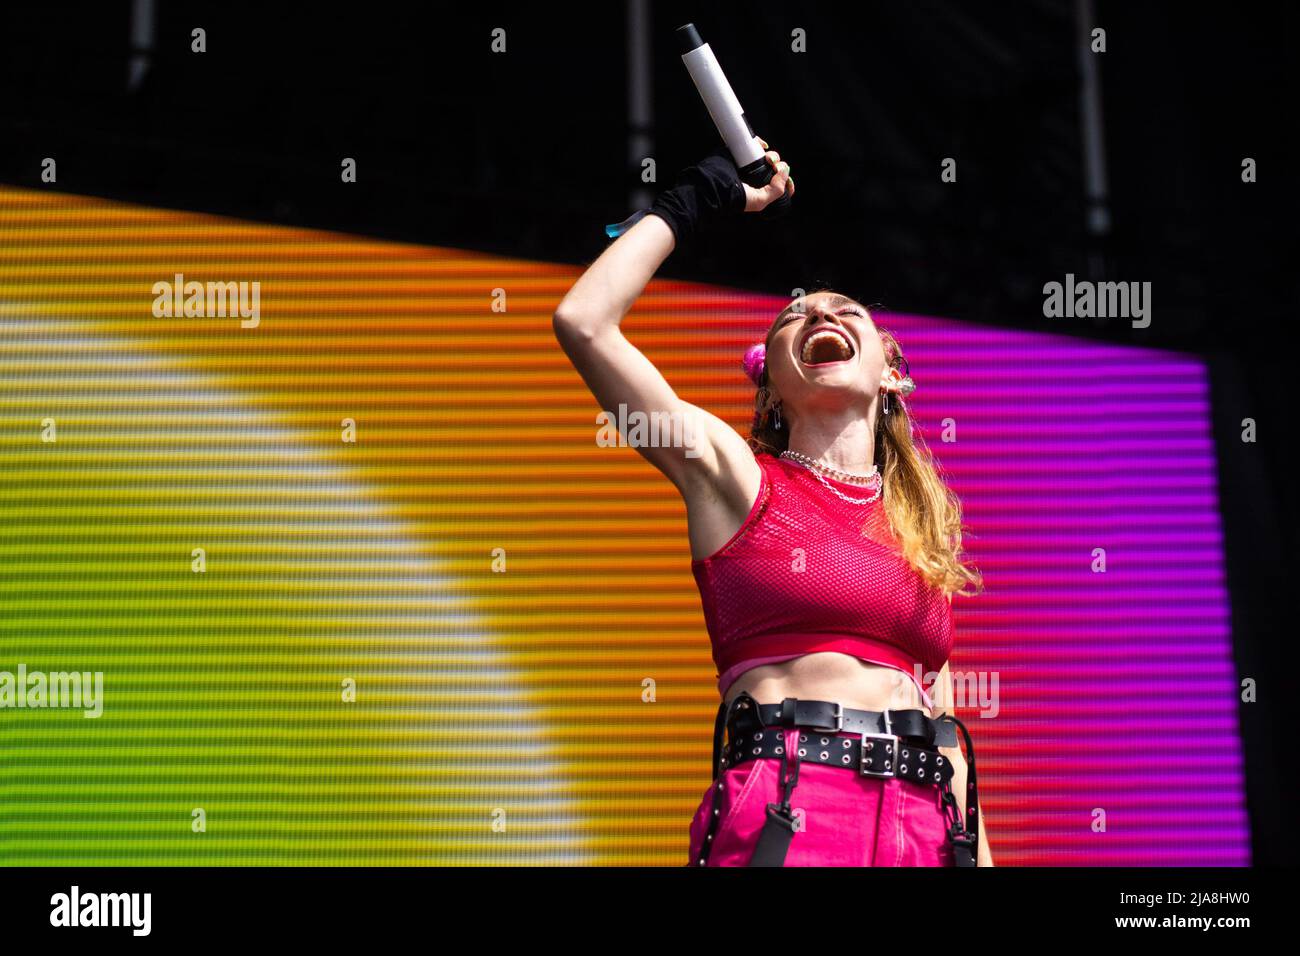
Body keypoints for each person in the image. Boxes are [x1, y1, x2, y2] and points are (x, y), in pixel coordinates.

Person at [553, 141, 992, 866]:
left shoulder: (923, 532)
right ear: (772, 388)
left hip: (928, 824)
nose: (820, 310)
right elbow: (585, 321)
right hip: (792, 804)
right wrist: (701, 196)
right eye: (795, 314)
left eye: (845, 309)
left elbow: (947, 738)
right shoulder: (737, 478)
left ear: (892, 377)